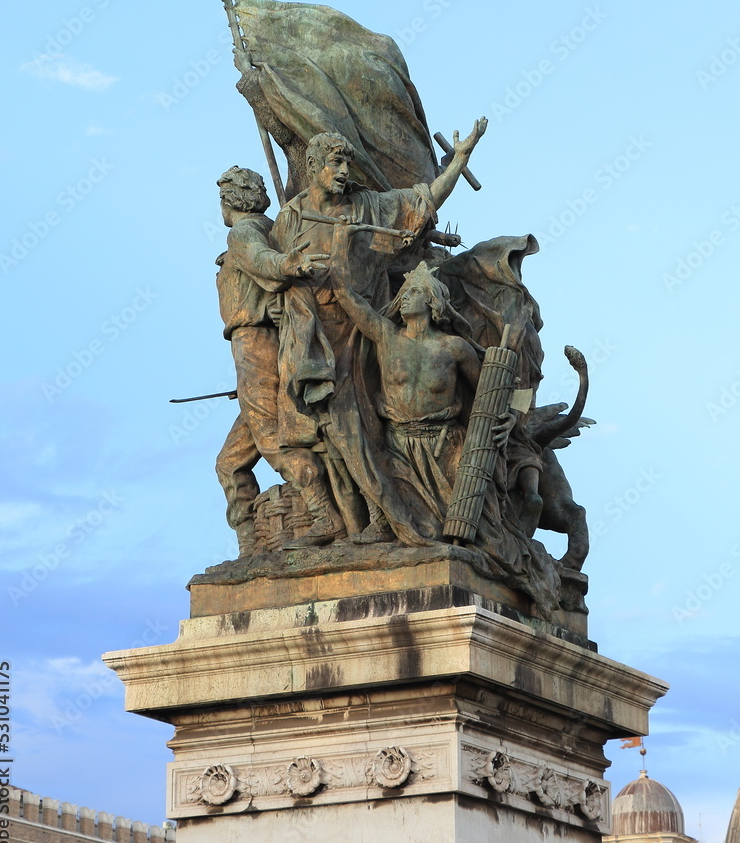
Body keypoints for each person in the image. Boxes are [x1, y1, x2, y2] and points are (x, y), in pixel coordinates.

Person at [266, 121, 487, 539]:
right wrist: (280, 304)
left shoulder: (367, 206)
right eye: (336, 162)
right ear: (313, 166)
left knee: (358, 427)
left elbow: (419, 202)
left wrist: (459, 160)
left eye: (348, 162)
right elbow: (275, 272)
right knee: (322, 436)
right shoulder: (290, 217)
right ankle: (352, 522)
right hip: (309, 337)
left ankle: (384, 518)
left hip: (361, 331)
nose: (345, 171)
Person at [330, 221, 515, 542]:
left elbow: (489, 393)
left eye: (413, 292)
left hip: (448, 446)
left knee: (475, 530)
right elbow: (344, 294)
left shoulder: (454, 347)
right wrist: (339, 238)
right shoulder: (386, 336)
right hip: (398, 448)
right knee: (412, 527)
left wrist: (510, 417)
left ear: (432, 301)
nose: (404, 298)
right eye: (403, 293)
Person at [213, 166, 343, 554]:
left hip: (254, 345)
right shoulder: (267, 228)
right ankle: (251, 546)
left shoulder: (245, 232)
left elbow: (265, 261)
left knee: (274, 439)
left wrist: (288, 265)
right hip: (250, 351)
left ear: (230, 200)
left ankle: (325, 516)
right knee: (229, 463)